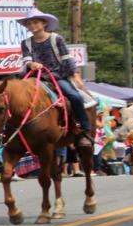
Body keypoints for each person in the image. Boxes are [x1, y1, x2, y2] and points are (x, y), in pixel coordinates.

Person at [15, 9, 93, 156]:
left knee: (74, 97)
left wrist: (75, 76)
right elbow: (26, 59)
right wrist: (31, 64)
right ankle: (18, 133)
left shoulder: (56, 39)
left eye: (35, 22)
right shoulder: (26, 43)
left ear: (44, 23)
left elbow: (66, 58)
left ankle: (84, 130)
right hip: (36, 78)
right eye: (29, 23)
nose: (32, 25)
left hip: (57, 77)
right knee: (17, 99)